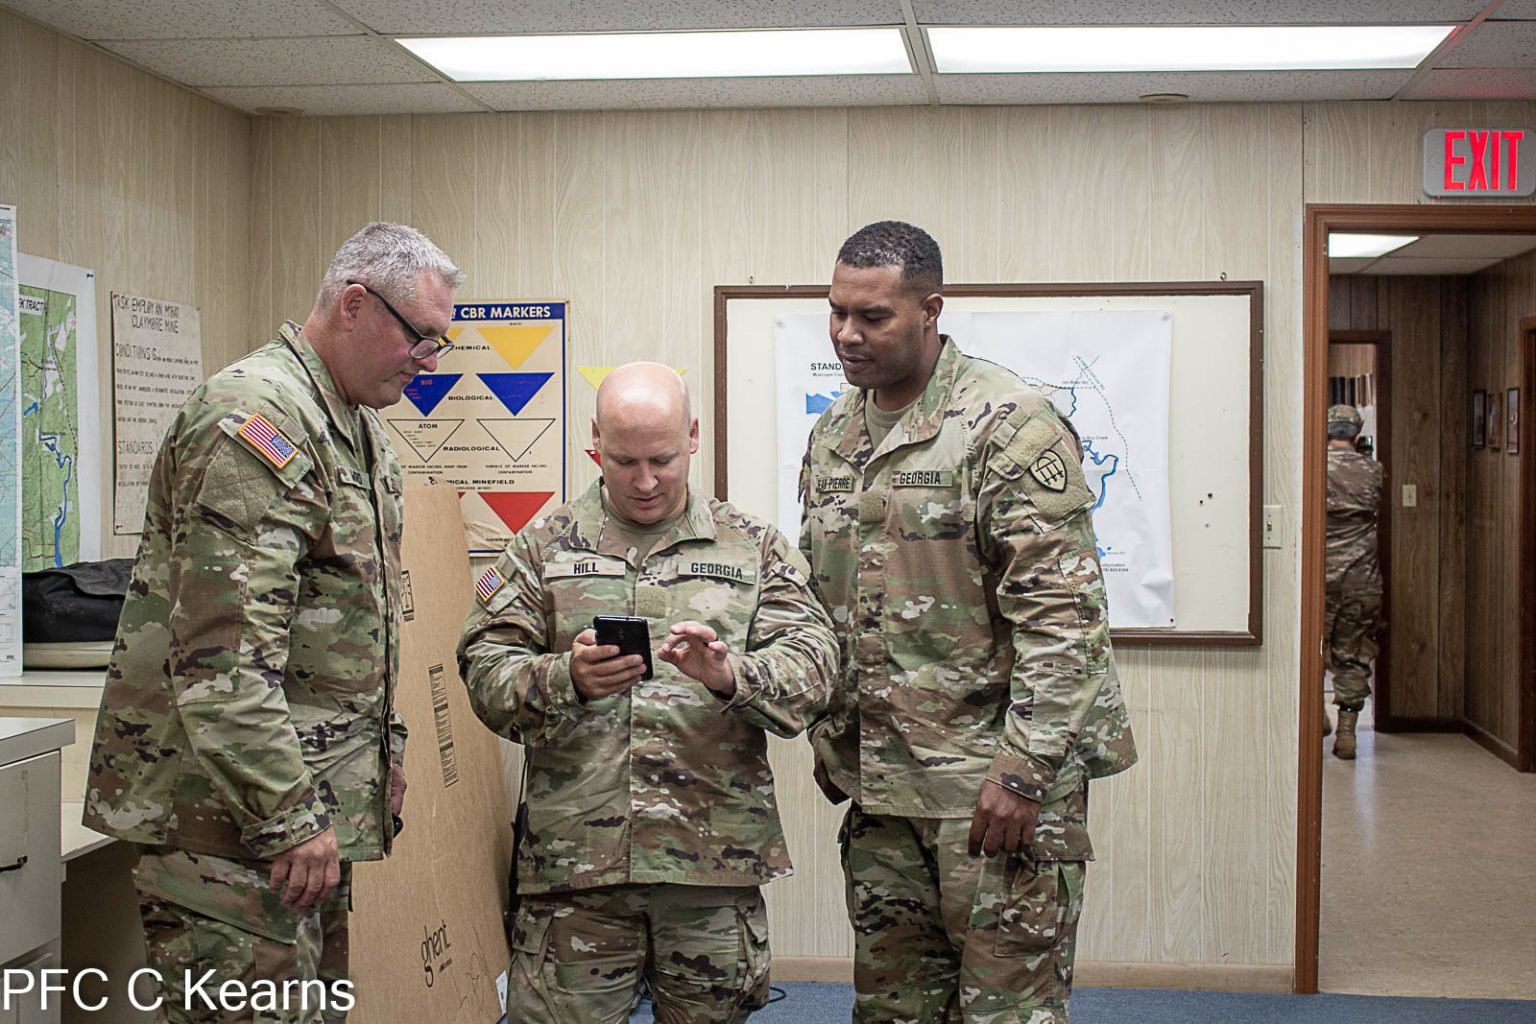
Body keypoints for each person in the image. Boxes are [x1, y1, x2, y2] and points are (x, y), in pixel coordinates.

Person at [84, 222, 463, 1021]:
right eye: (421, 338)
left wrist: (381, 755)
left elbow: (353, 628)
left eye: (440, 343)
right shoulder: (256, 421)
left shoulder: (354, 428)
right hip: (233, 830)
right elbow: (220, 658)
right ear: (356, 304)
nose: (430, 363)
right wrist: (289, 814)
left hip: (299, 823)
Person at [798, 221, 1137, 1024]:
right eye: (837, 312)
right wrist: (830, 729)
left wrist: (1022, 773)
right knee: (892, 1012)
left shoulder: (1008, 425)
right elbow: (830, 597)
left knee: (1004, 1015)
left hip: (994, 794)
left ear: (930, 310)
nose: (848, 334)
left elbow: (1066, 626)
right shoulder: (834, 435)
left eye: (873, 316)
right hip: (883, 793)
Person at [457, 362, 838, 1024]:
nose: (645, 480)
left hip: (709, 871)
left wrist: (732, 677)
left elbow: (816, 669)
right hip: (577, 874)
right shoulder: (543, 548)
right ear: (595, 447)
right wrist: (563, 679)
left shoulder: (752, 547)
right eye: (624, 460)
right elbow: (483, 667)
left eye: (662, 458)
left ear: (692, 437)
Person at [1324, 403, 1384, 760]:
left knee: (1314, 649)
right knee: (1354, 652)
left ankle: (1316, 717)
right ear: (1357, 435)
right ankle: (1347, 731)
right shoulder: (1373, 471)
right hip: (1362, 578)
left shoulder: (1314, 469)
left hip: (1319, 577)